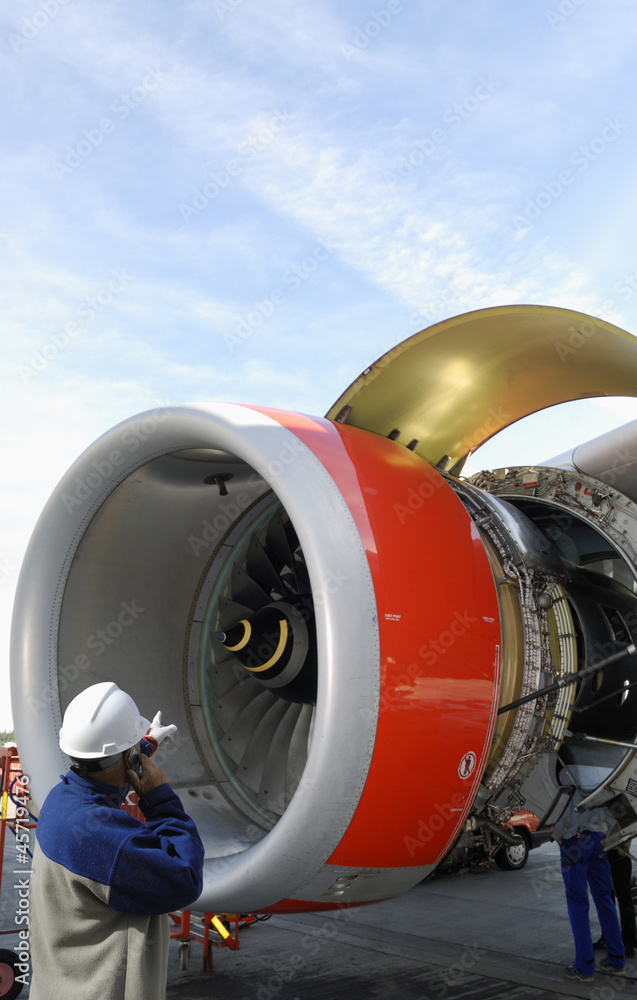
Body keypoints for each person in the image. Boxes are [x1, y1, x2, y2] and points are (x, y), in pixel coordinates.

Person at [29, 681, 205, 1000]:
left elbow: (103, 780)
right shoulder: (106, 838)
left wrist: (144, 746)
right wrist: (160, 799)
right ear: (125, 758)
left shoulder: (60, 801)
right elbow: (186, 877)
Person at [553, 769, 625, 983]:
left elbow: (562, 809)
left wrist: (557, 835)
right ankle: (616, 960)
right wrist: (604, 833)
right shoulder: (610, 770)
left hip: (574, 842)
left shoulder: (569, 772)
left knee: (578, 903)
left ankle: (584, 967)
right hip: (599, 841)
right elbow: (617, 810)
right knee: (604, 899)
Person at [594, 841, 637, 957]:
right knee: (606, 900)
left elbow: (627, 823)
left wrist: (626, 845)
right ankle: (607, 939)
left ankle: (630, 942)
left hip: (619, 852)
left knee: (624, 899)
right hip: (602, 855)